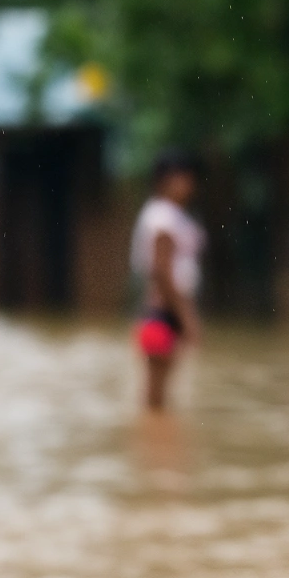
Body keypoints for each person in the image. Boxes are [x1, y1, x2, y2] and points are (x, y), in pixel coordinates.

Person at [130, 150, 205, 411]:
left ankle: (157, 441)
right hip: (162, 312)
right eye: (180, 178)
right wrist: (186, 316)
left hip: (165, 311)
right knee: (156, 395)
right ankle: (155, 445)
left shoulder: (168, 215)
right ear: (163, 180)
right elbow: (161, 270)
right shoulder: (163, 217)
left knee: (159, 394)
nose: (187, 185)